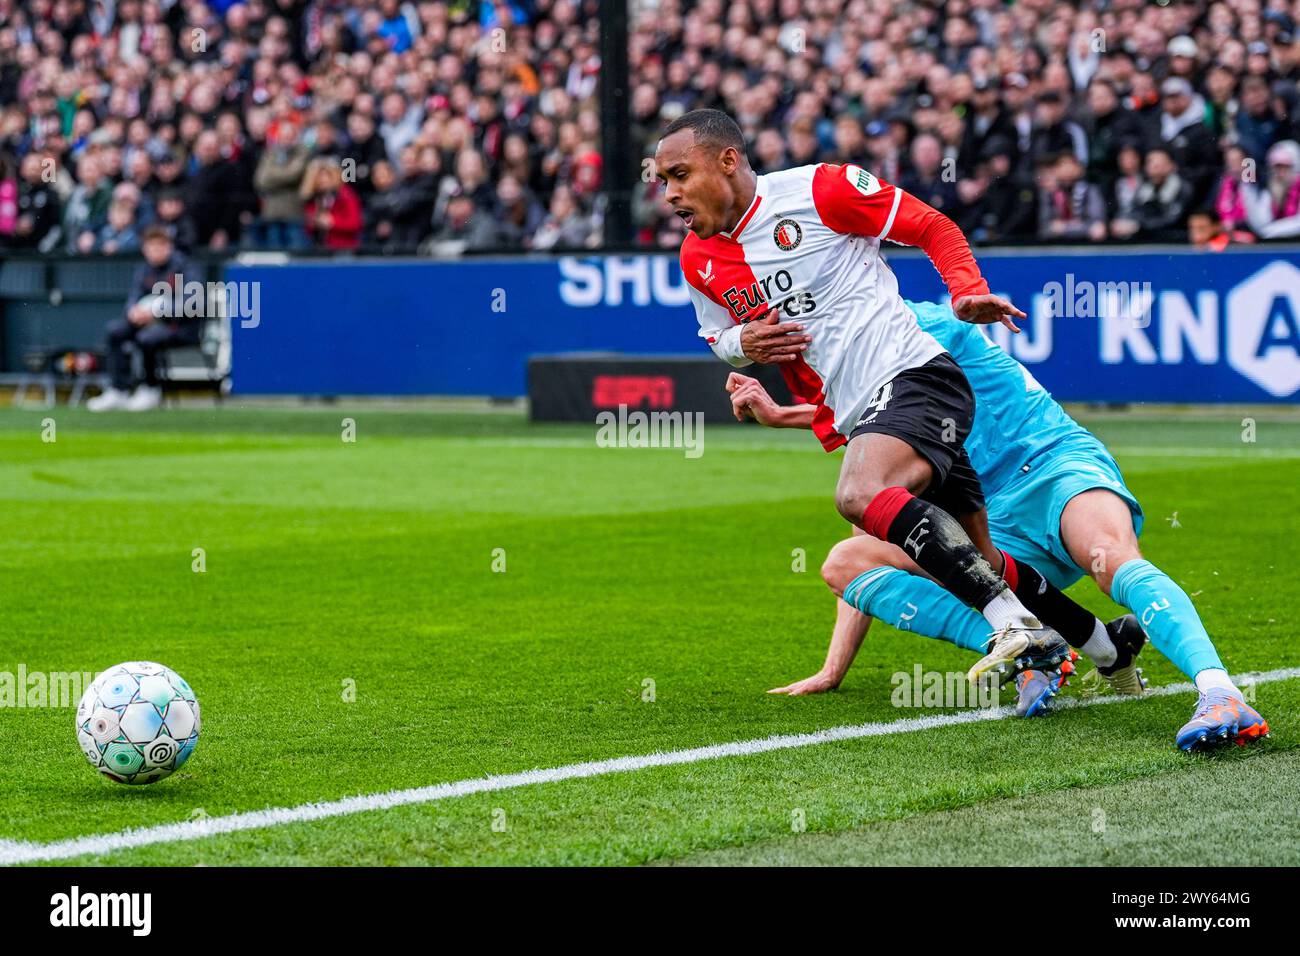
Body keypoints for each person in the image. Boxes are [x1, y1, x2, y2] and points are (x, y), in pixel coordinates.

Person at [735, 300, 1270, 750]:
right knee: (850, 559)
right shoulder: (859, 378)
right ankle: (1042, 643)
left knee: (1110, 557)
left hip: (1053, 465)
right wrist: (833, 670)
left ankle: (1220, 693)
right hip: (993, 520)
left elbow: (893, 389)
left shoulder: (910, 326)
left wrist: (789, 412)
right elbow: (873, 508)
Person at [657, 108, 1069, 689]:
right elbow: (717, 338)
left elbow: (932, 224)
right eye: (663, 181)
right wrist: (740, 342)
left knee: (859, 496)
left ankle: (1010, 624)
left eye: (679, 174)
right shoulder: (698, 259)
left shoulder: (820, 189)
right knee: (984, 556)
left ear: (727, 160)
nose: (670, 194)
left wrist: (967, 291)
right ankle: (1105, 644)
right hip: (862, 410)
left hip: (915, 376)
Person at [87, 226, 200, 413]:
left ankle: (150, 388)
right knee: (116, 331)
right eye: (151, 247)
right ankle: (118, 389)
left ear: (168, 247)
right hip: (146, 323)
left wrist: (159, 312)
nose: (155, 252)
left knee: (148, 338)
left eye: (159, 246)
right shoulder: (144, 270)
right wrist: (133, 312)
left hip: (180, 326)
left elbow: (193, 304)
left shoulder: (186, 268)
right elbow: (134, 297)